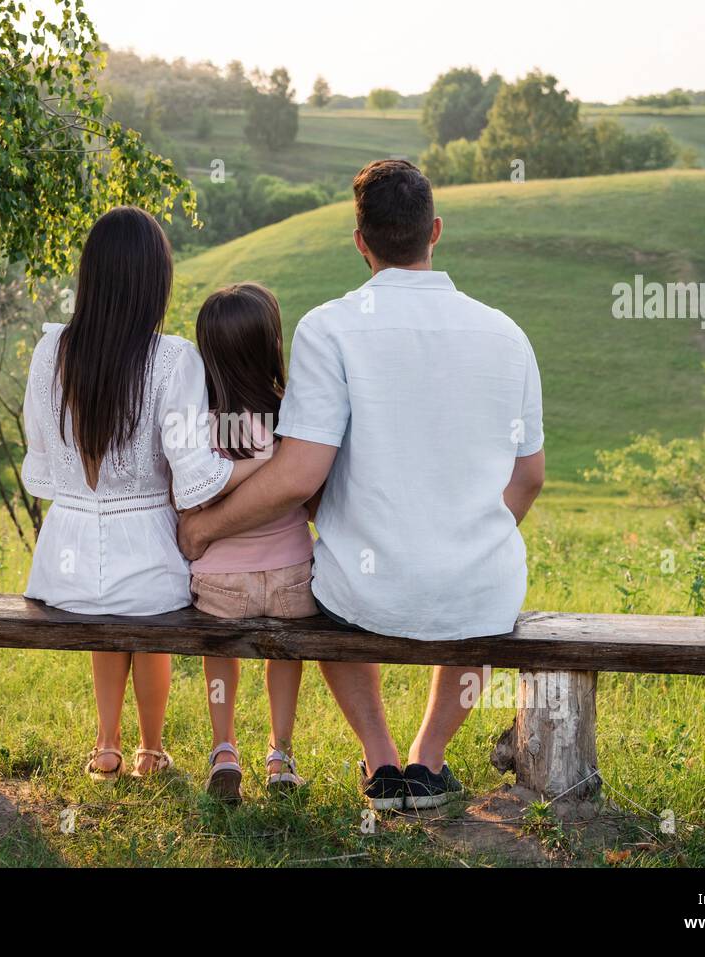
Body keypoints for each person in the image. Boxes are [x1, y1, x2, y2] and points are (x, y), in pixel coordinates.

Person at [178, 159, 546, 810]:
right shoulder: (509, 336)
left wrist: (205, 526)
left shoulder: (330, 328)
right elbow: (529, 477)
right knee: (485, 597)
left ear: (360, 240)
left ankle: (381, 760)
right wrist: (467, 539)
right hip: (479, 584)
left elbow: (298, 475)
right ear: (435, 231)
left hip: (364, 584)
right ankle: (427, 761)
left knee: (331, 585)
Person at [21, 206, 262, 782]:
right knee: (146, 618)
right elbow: (198, 476)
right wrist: (264, 463)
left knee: (109, 620)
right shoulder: (173, 359)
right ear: (154, 281)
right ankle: (150, 751)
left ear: (92, 275)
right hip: (148, 557)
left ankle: (107, 745)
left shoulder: (51, 352)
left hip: (63, 565)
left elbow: (42, 464)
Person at [188, 283, 316, 804]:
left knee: (221, 651)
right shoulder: (292, 416)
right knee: (284, 655)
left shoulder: (200, 422)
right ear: (271, 345)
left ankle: (224, 748)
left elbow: (190, 503)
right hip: (292, 578)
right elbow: (309, 498)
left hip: (220, 583)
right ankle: (280, 756)